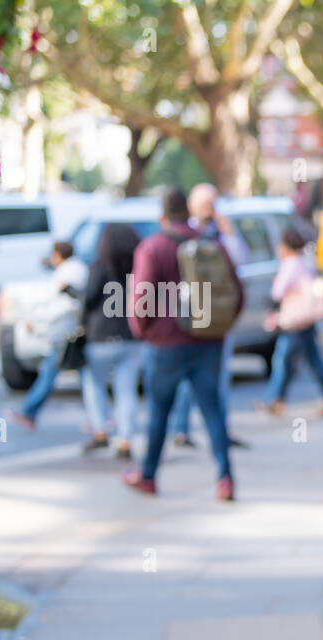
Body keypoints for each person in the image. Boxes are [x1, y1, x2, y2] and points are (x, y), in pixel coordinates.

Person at [121, 187, 244, 501]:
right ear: (187, 212)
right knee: (212, 409)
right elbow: (236, 291)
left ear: (161, 215)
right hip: (209, 339)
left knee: (160, 412)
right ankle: (225, 478)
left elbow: (141, 298)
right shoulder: (209, 243)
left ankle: (148, 476)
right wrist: (222, 326)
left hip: (166, 343)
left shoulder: (153, 247)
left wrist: (144, 331)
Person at [167, 183, 251, 450]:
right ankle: (182, 429)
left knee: (218, 377)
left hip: (217, 315)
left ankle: (220, 432)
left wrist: (228, 232)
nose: (209, 210)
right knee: (186, 378)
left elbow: (241, 263)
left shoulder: (220, 235)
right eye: (204, 204)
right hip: (189, 313)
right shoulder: (184, 234)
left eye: (212, 204)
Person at [254, 228, 323, 416]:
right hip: (306, 319)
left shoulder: (290, 265)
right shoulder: (305, 263)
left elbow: (277, 292)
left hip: (294, 321)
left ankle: (275, 399)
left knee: (284, 360)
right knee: (307, 361)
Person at [7, 241, 89, 430]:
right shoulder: (78, 268)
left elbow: (60, 303)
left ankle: (28, 411)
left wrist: (37, 319)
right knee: (82, 373)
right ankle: (98, 418)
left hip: (64, 329)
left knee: (51, 371)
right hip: (70, 328)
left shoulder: (68, 272)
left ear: (58, 254)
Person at [79, 223, 144, 459]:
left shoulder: (100, 266)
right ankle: (125, 439)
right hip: (131, 336)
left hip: (100, 336)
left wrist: (81, 324)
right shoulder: (139, 267)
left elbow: (89, 298)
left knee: (94, 383)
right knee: (126, 390)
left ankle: (100, 431)